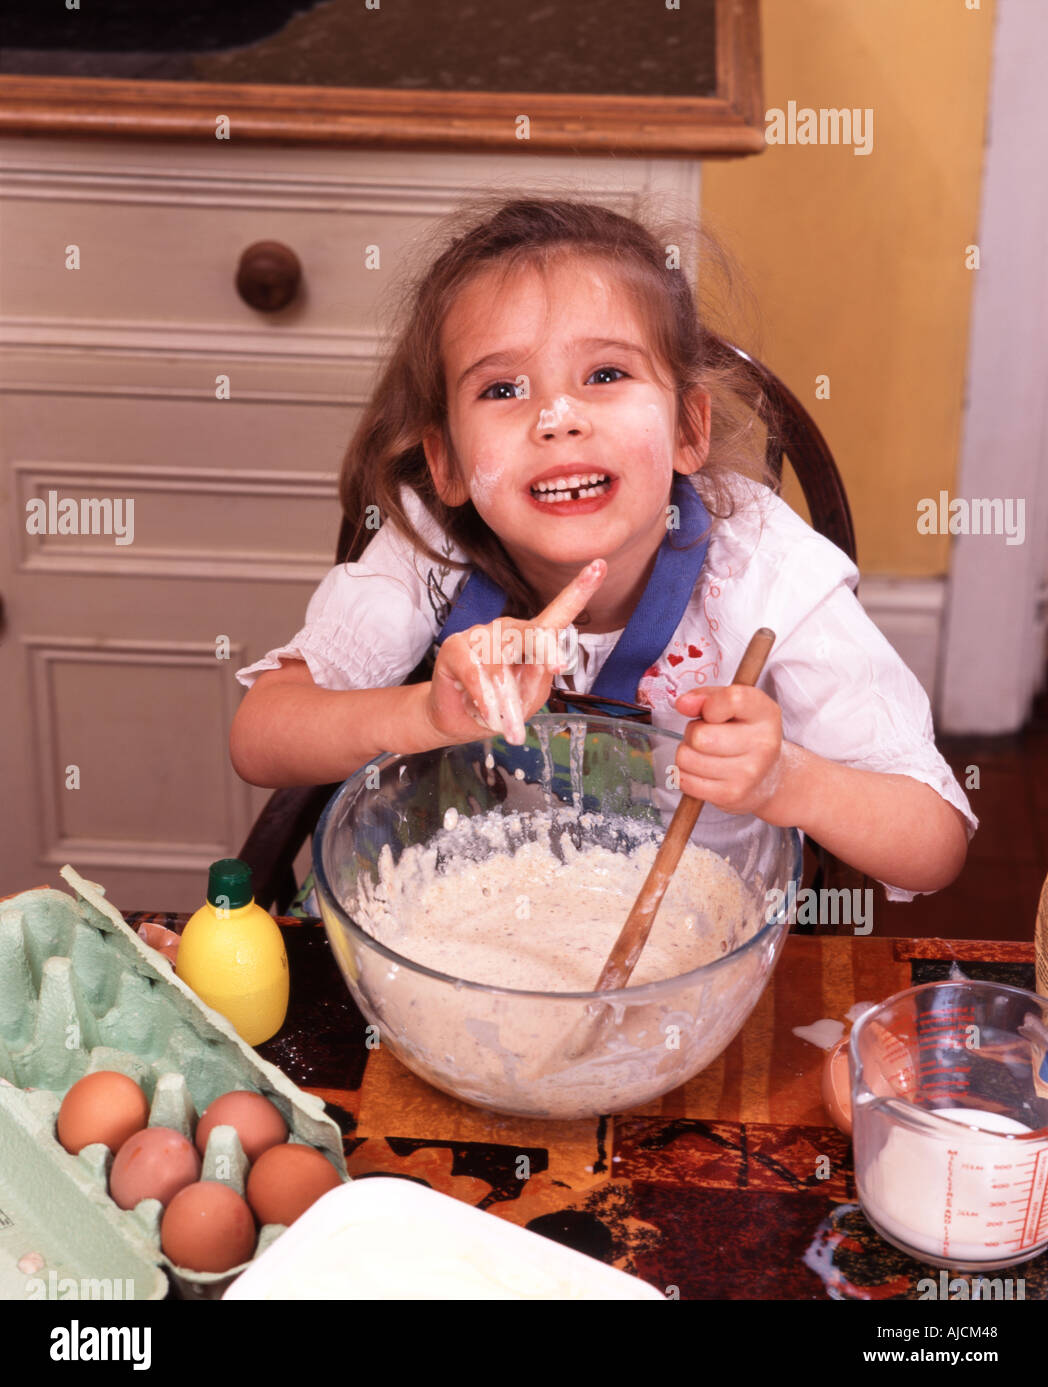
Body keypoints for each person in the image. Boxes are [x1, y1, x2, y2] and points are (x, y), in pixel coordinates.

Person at [231, 196, 974, 907]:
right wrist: (425, 714)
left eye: (606, 375)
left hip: (698, 939)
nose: (558, 419)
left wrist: (787, 780)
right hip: (477, 912)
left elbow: (933, 843)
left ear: (688, 428)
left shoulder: (765, 570)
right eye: (502, 388)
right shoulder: (433, 548)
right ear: (448, 462)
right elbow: (261, 737)